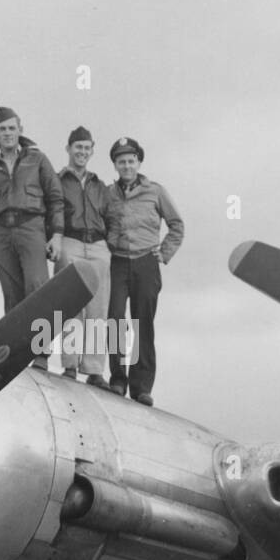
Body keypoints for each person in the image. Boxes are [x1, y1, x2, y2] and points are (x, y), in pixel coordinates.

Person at [103, 137, 184, 407]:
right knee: (114, 317)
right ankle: (117, 378)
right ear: (115, 164)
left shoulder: (155, 191)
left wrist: (165, 251)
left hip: (146, 262)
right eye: (121, 161)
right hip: (117, 262)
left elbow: (176, 224)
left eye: (130, 161)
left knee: (142, 323)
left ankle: (141, 386)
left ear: (138, 162)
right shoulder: (108, 194)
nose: (126, 166)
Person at [0, 107, 65, 316]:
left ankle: (41, 345)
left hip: (30, 227)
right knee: (12, 294)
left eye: (12, 128)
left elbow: (56, 198)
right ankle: (19, 347)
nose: (7, 133)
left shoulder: (38, 159)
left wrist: (57, 235)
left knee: (37, 285)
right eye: (2, 128)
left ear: (20, 129)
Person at [55, 126, 111, 387]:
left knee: (98, 309)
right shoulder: (57, 180)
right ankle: (69, 364)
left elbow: (110, 216)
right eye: (78, 147)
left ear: (92, 151)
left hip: (98, 244)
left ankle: (95, 368)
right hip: (71, 240)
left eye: (87, 148)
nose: (82, 152)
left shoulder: (100, 185)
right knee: (71, 305)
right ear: (68, 149)